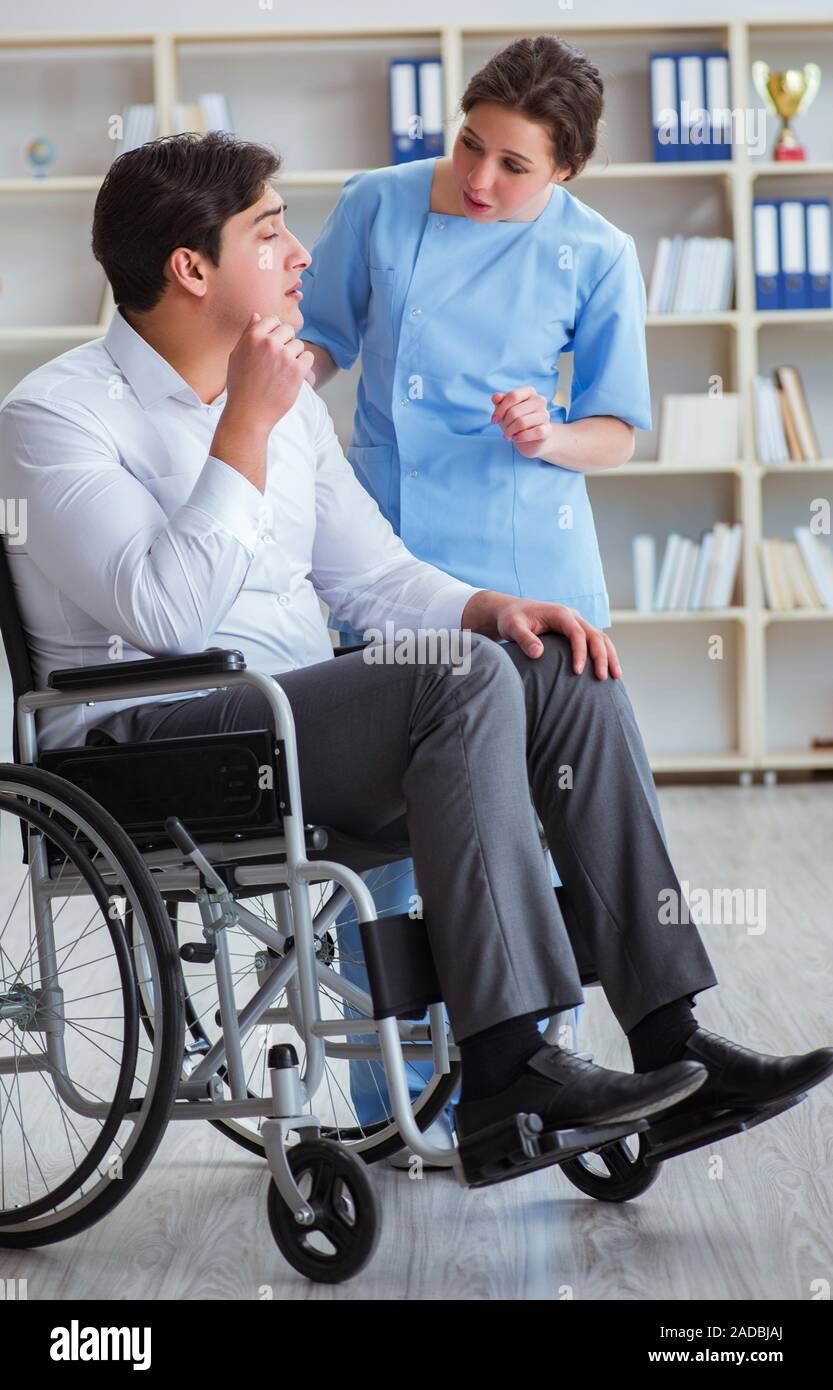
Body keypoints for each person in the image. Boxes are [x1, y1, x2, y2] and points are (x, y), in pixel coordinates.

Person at [1, 132, 830, 1161]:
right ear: (191, 267)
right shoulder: (54, 416)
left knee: (554, 663)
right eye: (270, 231)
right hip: (158, 749)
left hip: (289, 722)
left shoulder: (283, 403)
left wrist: (493, 607)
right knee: (452, 679)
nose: (302, 253)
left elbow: (370, 577)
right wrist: (245, 430)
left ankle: (673, 1039)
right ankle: (507, 1066)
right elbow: (166, 613)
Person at [297, 33, 651, 1137]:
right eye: (468, 146)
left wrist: (550, 433)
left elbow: (617, 430)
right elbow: (318, 343)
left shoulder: (594, 254)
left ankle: (555, 1074)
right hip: (392, 561)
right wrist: (250, 410)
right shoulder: (377, 203)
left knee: (544, 824)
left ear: (565, 175)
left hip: (531, 560)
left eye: (514, 166)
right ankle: (399, 1106)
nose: (480, 179)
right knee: (389, 842)